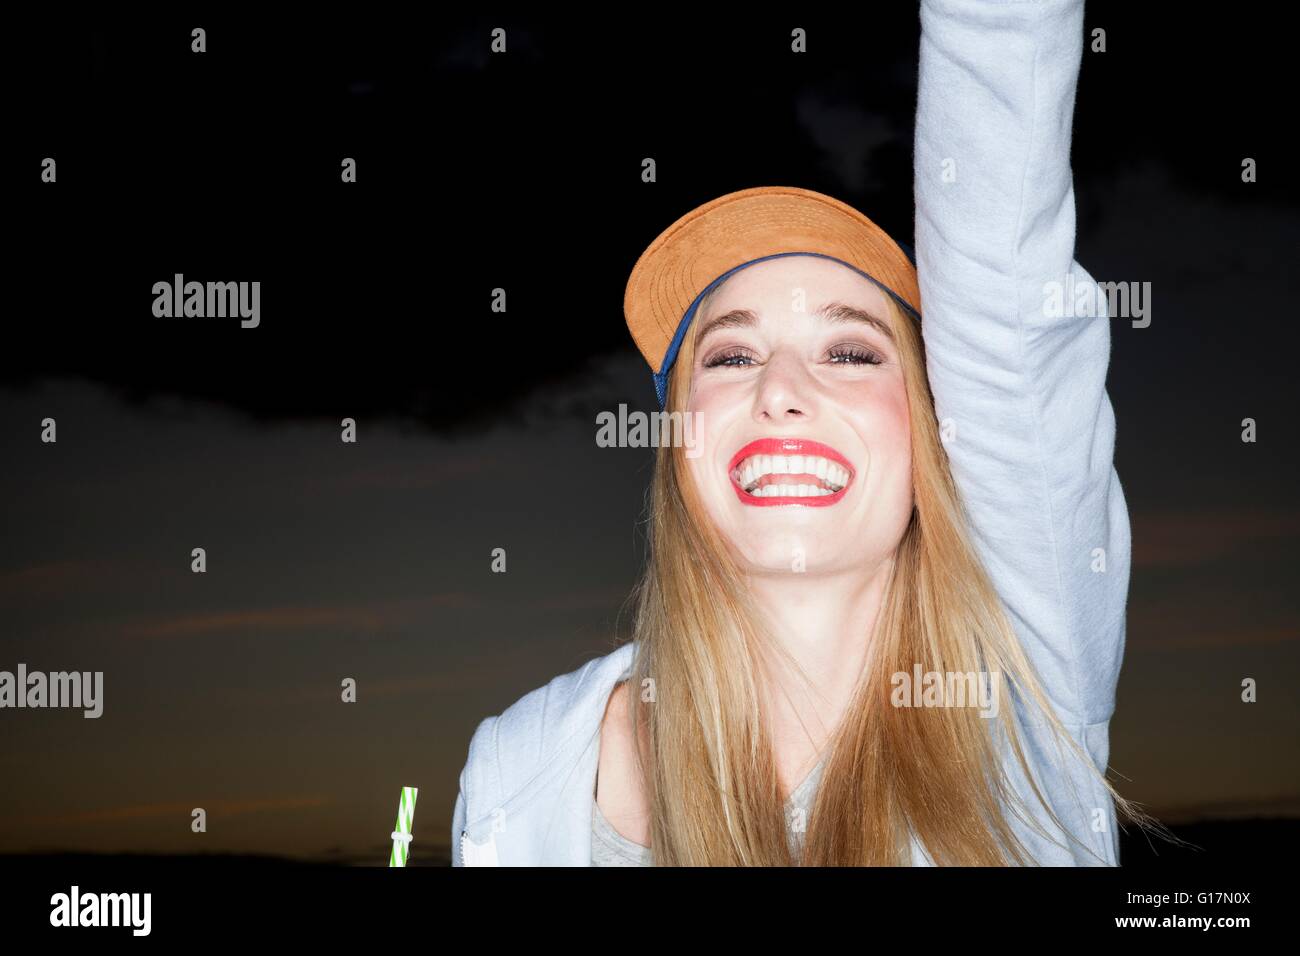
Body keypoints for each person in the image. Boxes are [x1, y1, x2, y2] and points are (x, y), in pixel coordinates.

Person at [452, 0, 1169, 866]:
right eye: (729, 356)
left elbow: (1006, 296)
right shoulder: (520, 772)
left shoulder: (1021, 692)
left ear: (936, 432)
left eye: (850, 350)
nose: (780, 390)